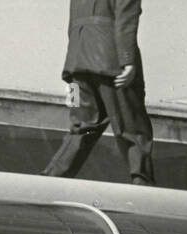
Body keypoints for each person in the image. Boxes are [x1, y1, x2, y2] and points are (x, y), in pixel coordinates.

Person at [42, 0, 154, 184]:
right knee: (133, 129)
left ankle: (49, 180)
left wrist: (70, 75)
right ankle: (142, 184)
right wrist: (128, 60)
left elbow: (73, 24)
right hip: (111, 60)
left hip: (77, 62)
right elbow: (126, 17)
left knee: (80, 128)